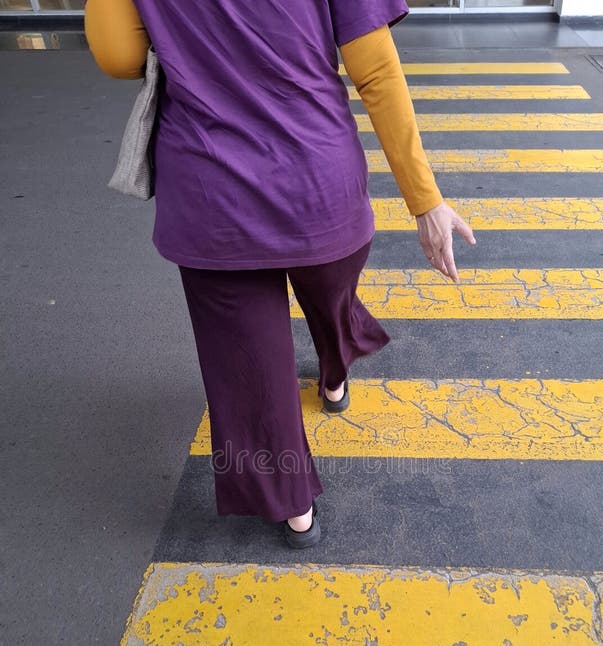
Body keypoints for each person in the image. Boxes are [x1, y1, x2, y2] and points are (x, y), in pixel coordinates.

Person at [84, 0, 476, 548]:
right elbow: (377, 69)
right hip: (317, 183)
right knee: (330, 293)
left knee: (246, 358)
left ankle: (293, 506)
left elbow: (119, 56)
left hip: (208, 189)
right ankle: (335, 367)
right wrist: (424, 200)